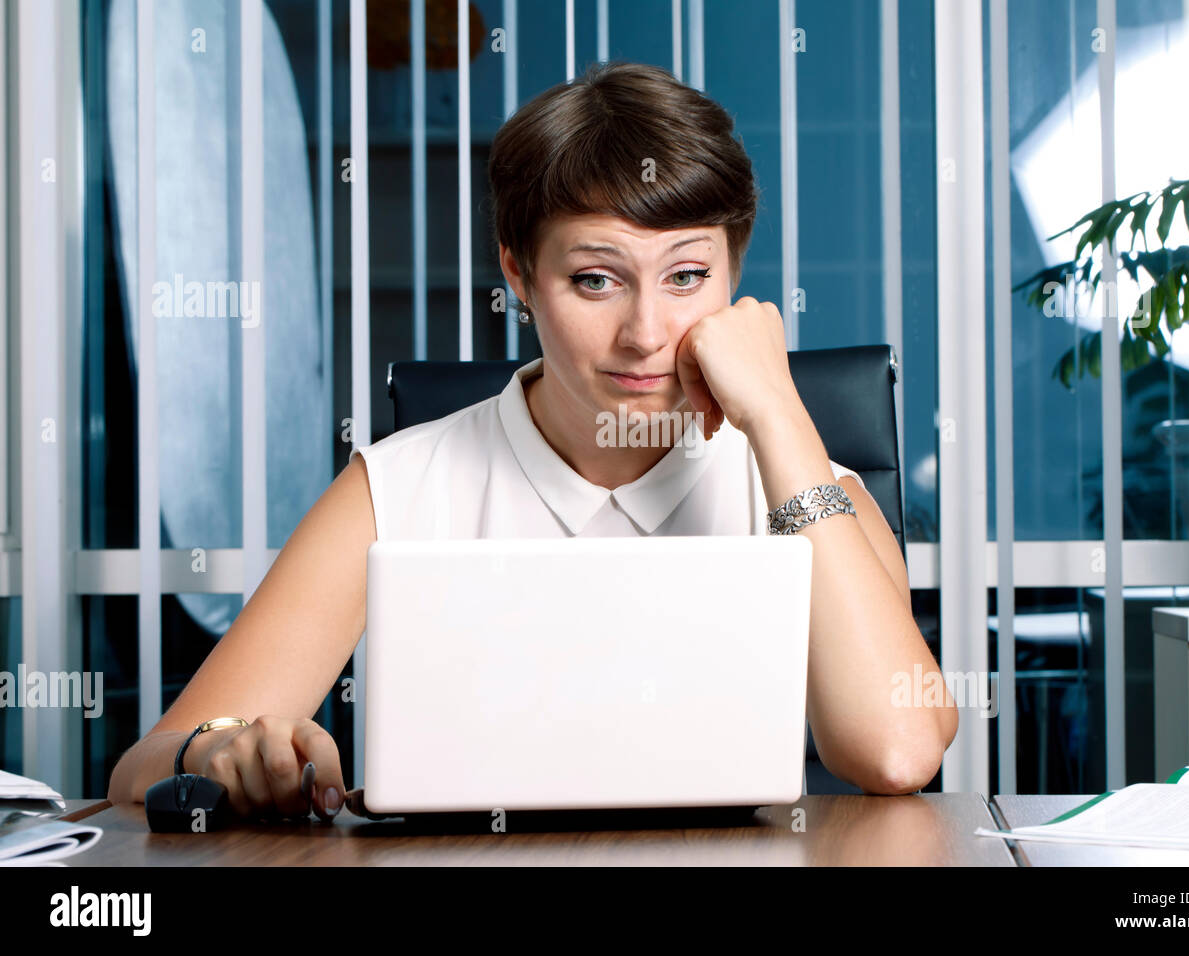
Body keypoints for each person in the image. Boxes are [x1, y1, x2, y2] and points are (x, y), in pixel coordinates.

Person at [108, 60, 957, 820]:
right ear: (517, 274)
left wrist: (778, 415)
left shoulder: (801, 478)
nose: (646, 333)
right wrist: (219, 752)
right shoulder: (400, 484)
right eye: (596, 280)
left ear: (735, 273)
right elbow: (144, 766)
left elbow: (896, 751)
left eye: (688, 276)